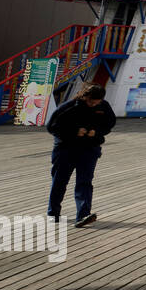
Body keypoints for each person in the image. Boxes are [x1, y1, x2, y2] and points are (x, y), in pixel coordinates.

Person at [46, 83, 116, 227]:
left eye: (96, 102)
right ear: (84, 96)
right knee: (60, 181)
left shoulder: (104, 107)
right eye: (90, 101)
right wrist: (74, 132)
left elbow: (109, 123)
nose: (93, 104)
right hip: (66, 149)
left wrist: (96, 132)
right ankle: (53, 213)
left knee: (85, 182)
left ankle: (83, 215)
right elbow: (52, 126)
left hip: (90, 149)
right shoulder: (69, 107)